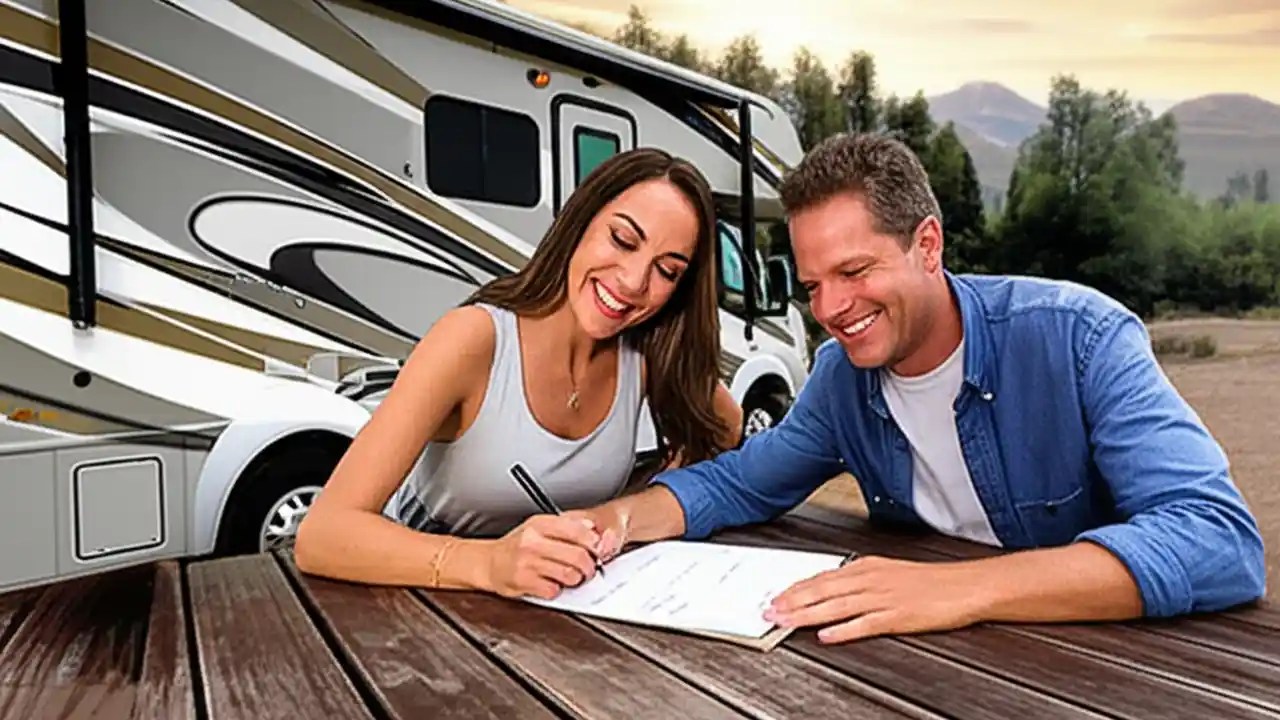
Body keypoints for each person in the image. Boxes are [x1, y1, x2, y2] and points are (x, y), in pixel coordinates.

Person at [578, 132, 1267, 644]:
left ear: (928, 246)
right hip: (935, 666)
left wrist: (959, 589)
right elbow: (737, 484)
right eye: (814, 285)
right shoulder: (840, 380)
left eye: (855, 271)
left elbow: (1219, 541)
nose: (831, 309)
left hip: (1112, 665)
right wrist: (611, 524)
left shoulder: (1078, 337)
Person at [294, 147, 743, 600]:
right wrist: (489, 563)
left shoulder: (643, 356)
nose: (633, 281)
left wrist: (630, 509)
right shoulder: (474, 339)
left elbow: (725, 426)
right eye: (623, 241)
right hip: (412, 601)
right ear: (579, 222)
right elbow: (322, 535)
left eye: (667, 271)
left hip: (548, 617)